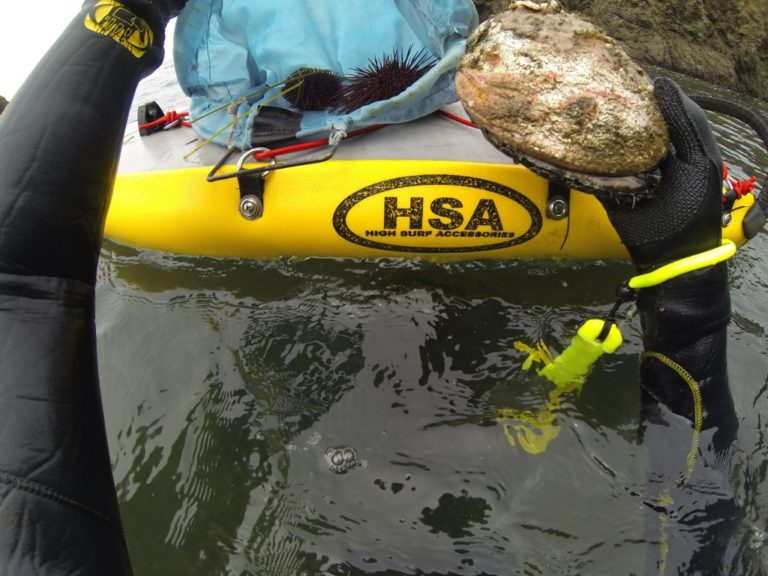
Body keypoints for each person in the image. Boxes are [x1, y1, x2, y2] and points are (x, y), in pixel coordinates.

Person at [0, 1, 743, 574]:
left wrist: (125, 19)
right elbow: (23, 289)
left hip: (361, 440)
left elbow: (21, 287)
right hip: (460, 445)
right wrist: (691, 293)